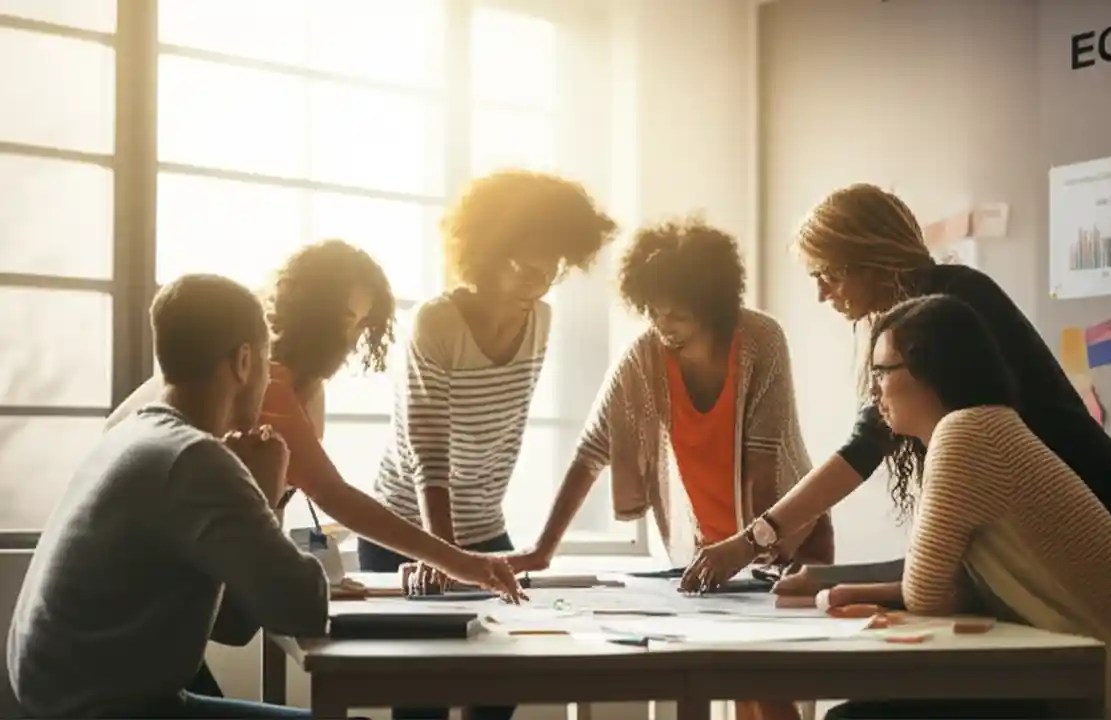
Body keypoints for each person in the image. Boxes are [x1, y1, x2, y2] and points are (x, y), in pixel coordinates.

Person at [683, 183, 1111, 592]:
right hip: (1041, 516)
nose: (823, 294)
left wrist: (756, 543)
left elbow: (864, 447)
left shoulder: (945, 313)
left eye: (829, 275)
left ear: (870, 262)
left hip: (1077, 510)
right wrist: (813, 572)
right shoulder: (920, 314)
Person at [510, 218, 832, 720]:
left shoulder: (761, 341)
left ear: (713, 307)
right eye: (655, 313)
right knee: (736, 684)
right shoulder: (644, 357)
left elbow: (764, 461)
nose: (665, 327)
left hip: (788, 532)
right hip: (706, 547)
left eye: (678, 315)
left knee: (766, 687)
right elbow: (591, 450)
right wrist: (542, 550)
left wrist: (758, 551)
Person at [817, 295, 1111, 719]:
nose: (874, 390)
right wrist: (848, 593)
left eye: (883, 371)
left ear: (932, 370)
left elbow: (926, 594)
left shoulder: (964, 435)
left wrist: (845, 594)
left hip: (1109, 692)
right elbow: (959, 588)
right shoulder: (989, 424)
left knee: (853, 718)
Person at [107, 241, 522, 600]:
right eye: (346, 320)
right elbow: (331, 492)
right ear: (310, 310)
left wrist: (311, 574)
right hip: (138, 580)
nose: (352, 338)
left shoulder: (298, 386)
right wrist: (460, 562)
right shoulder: (255, 378)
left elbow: (277, 494)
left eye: (361, 324)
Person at [8, 274, 329, 719]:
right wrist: (266, 496)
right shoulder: (196, 459)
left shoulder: (136, 433)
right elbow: (303, 608)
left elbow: (236, 627)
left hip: (55, 700)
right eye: (266, 361)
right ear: (243, 361)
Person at [363, 170, 617, 720]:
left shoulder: (541, 321)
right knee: (423, 705)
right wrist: (444, 555)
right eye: (526, 270)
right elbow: (426, 453)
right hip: (408, 528)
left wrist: (473, 553)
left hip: (483, 526)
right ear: (486, 253)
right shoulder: (436, 321)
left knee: (501, 687)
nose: (539, 286)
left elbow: (502, 431)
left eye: (551, 272)